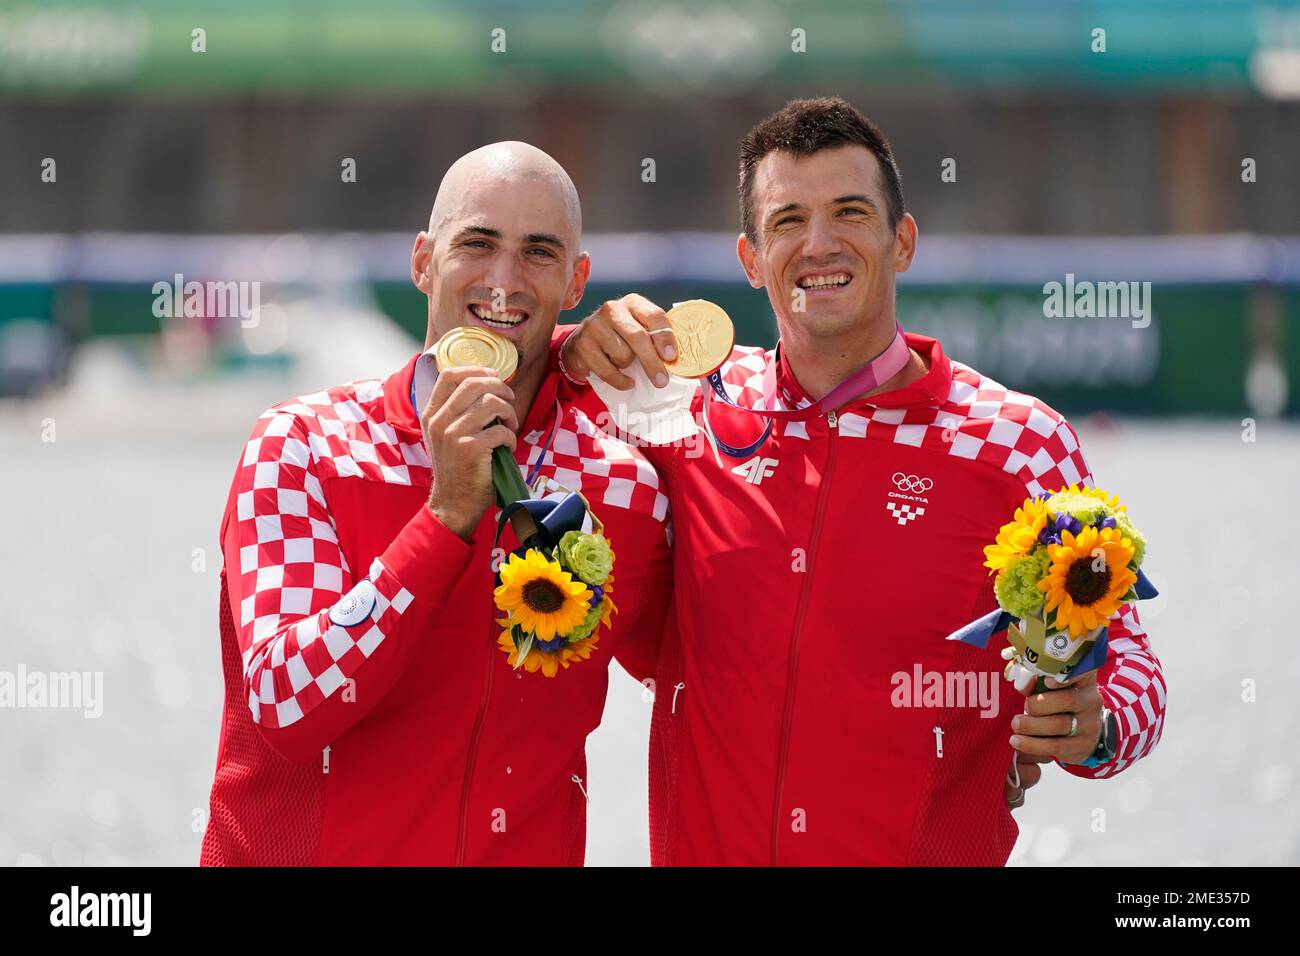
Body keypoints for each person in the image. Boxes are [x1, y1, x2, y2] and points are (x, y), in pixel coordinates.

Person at [558, 97, 1166, 865]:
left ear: (902, 240)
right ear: (750, 259)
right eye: (787, 221)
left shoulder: (1018, 442)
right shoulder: (687, 410)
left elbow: (1131, 667)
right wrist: (576, 344)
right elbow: (518, 411)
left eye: (849, 212)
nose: (819, 244)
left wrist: (1094, 726)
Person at [201, 142, 671, 866]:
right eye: (477, 244)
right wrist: (446, 516)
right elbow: (288, 704)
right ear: (423, 260)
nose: (504, 281)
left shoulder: (625, 488)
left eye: (539, 254)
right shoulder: (304, 446)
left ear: (576, 282)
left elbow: (729, 681)